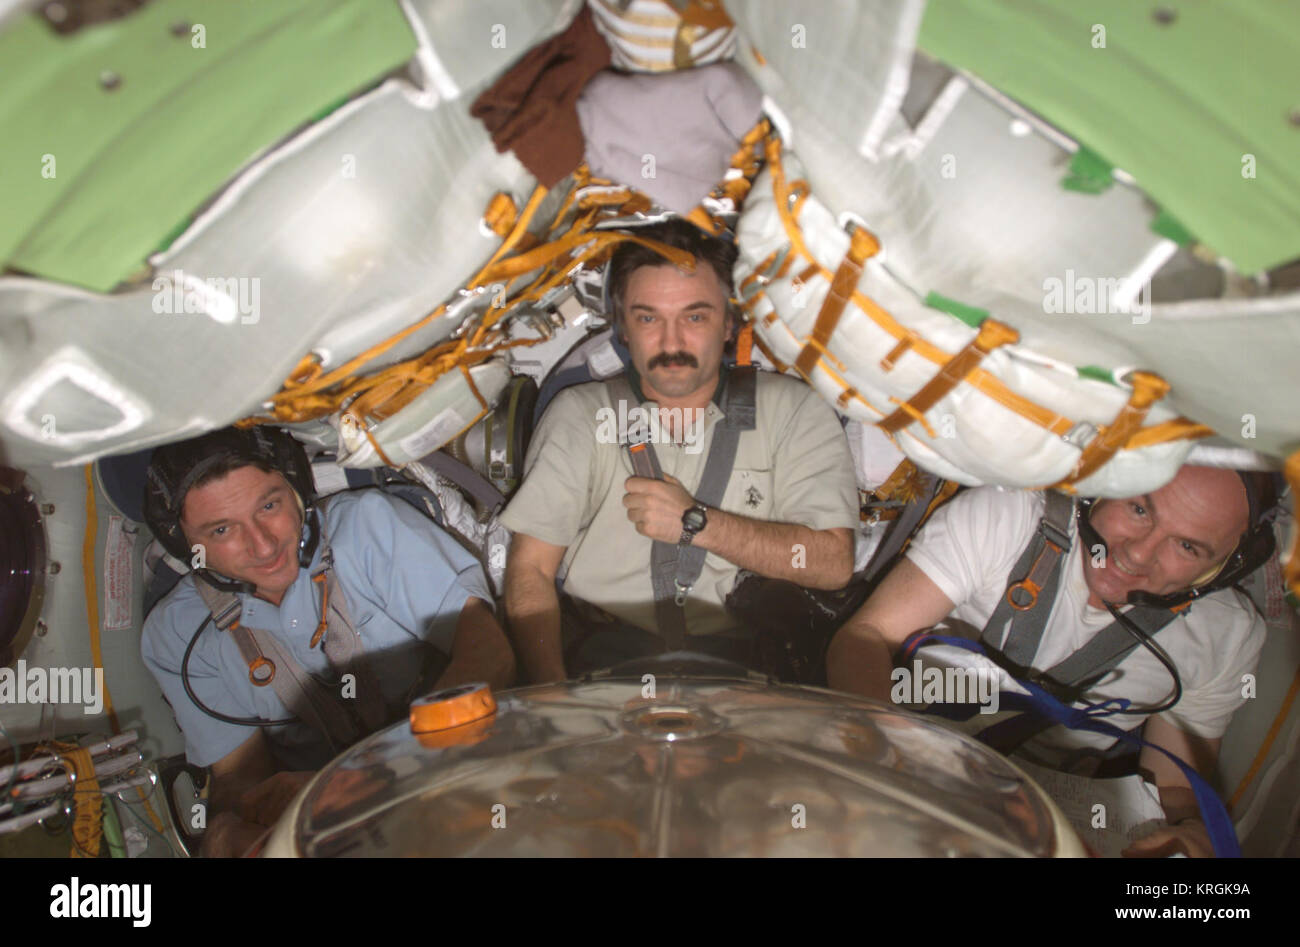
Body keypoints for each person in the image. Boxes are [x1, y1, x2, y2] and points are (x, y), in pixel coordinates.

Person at [827, 464, 1280, 857]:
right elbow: (866, 637)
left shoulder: (1226, 635)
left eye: (1187, 547)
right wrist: (891, 756)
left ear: (1226, 568)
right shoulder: (1006, 517)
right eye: (1140, 509)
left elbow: (1174, 786)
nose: (1138, 554)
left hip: (1059, 814)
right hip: (912, 751)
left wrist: (1188, 832)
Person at [501, 219, 859, 682]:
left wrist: (700, 524)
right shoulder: (580, 416)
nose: (671, 343)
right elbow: (530, 571)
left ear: (729, 322)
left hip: (753, 676)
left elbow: (832, 565)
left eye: (695, 317)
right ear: (623, 327)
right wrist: (553, 693)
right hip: (607, 668)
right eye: (648, 318)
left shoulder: (793, 411)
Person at [140, 426, 514, 856]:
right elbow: (240, 777)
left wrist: (380, 776)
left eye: (269, 505)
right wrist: (238, 830)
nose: (262, 545)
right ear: (185, 544)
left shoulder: (367, 528)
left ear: (296, 489)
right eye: (222, 531)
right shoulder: (178, 634)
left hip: (451, 768)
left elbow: (488, 653)